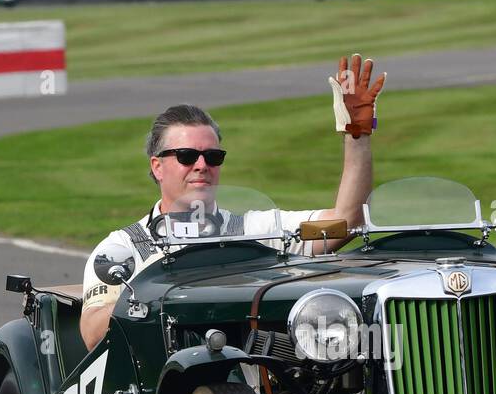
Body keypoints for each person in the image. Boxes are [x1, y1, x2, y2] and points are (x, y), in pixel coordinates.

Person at [79, 53, 385, 351]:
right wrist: (146, 286)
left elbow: (346, 221)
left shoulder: (258, 230)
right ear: (157, 167)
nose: (201, 165)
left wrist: (356, 134)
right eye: (187, 156)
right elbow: (92, 335)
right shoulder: (124, 248)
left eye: (213, 157)